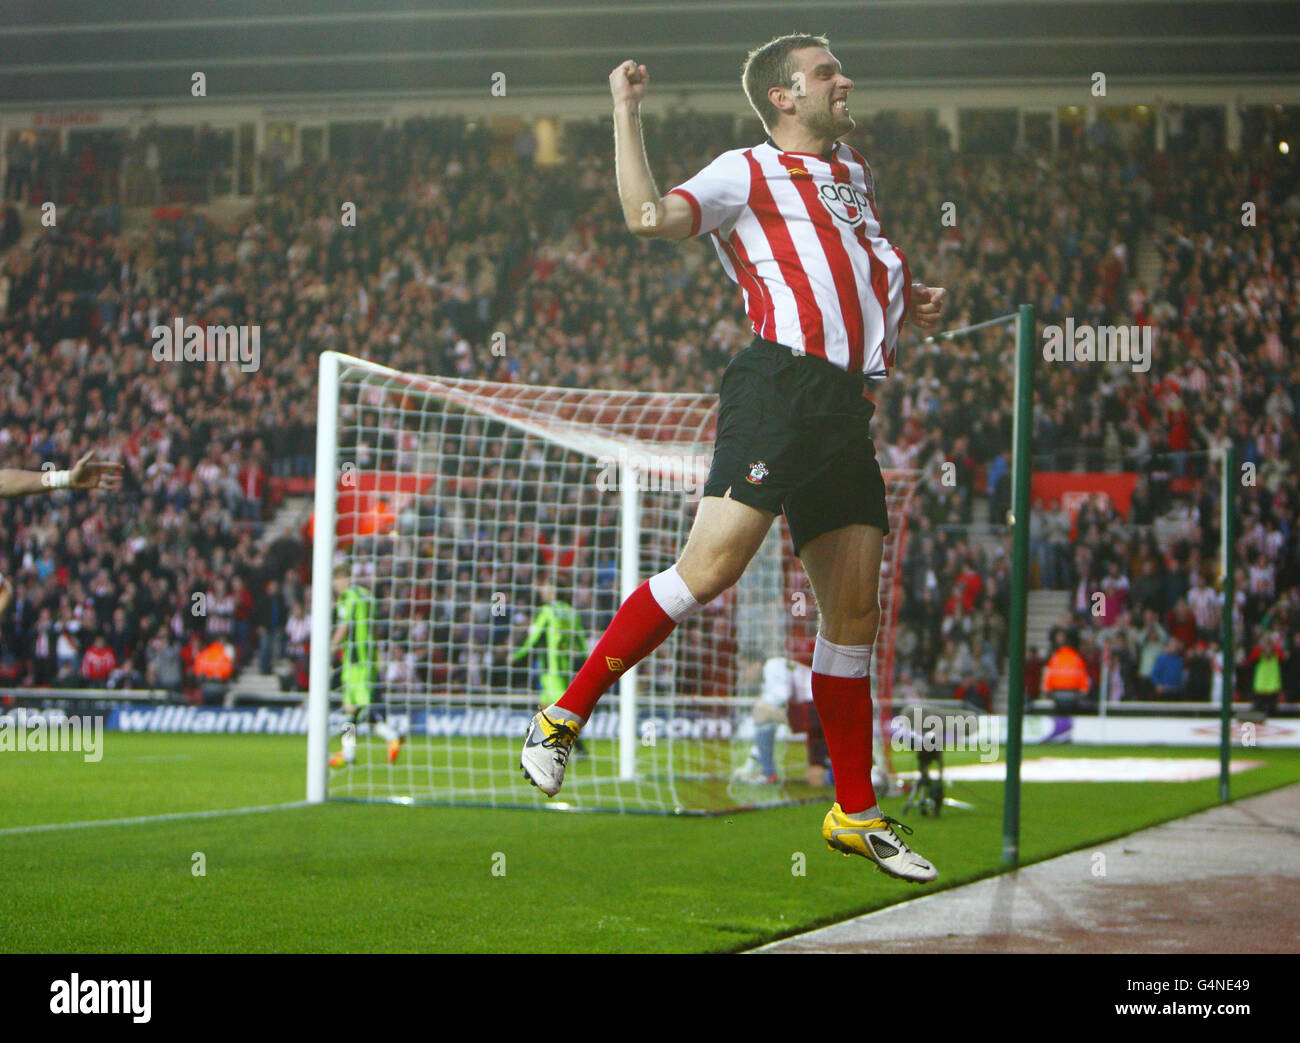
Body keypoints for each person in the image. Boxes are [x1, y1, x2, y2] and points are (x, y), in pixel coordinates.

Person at [520, 35, 946, 883]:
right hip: (779, 389)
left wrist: (908, 300)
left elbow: (850, 270)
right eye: (827, 72)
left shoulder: (853, 171)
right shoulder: (743, 170)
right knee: (709, 570)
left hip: (845, 411)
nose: (844, 79)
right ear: (784, 96)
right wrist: (626, 112)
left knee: (852, 617)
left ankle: (853, 811)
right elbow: (648, 219)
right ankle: (564, 715)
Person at [329, 566, 403, 768]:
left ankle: (391, 736)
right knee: (352, 709)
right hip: (369, 657)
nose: (336, 590)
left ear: (341, 581)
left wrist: (330, 648)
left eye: (336, 585)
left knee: (354, 709)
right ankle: (349, 752)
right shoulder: (367, 595)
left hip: (355, 661)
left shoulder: (347, 597)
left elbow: (344, 626)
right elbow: (376, 627)